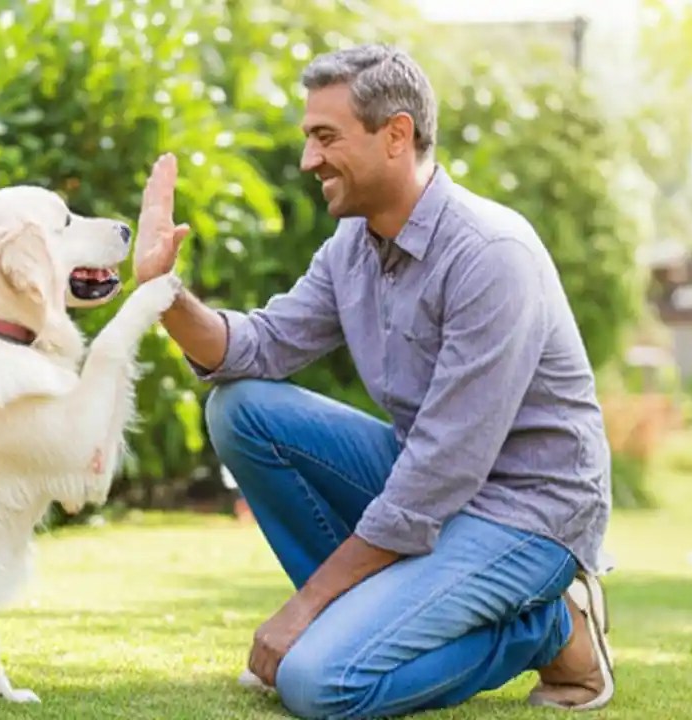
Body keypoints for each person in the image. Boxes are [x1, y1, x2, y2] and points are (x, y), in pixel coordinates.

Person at [132, 43, 616, 719]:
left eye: (325, 138)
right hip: (438, 490)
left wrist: (305, 604)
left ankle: (549, 625)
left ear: (397, 135)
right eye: (308, 138)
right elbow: (258, 348)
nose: (308, 161)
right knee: (240, 409)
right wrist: (164, 292)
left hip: (526, 514)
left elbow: (442, 470)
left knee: (318, 684)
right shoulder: (351, 250)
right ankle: (352, 625)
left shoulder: (490, 256)